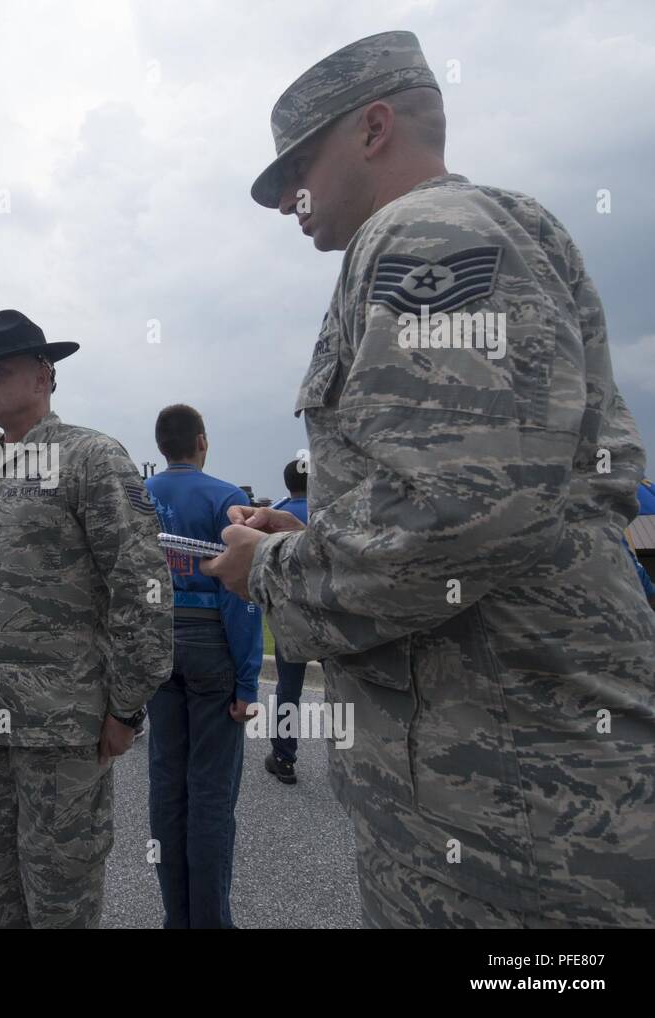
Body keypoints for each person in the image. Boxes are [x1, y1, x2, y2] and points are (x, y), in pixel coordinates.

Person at [208, 31, 655, 928]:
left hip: (517, 813)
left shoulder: (431, 235)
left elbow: (457, 514)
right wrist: (314, 537)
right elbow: (464, 490)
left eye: (299, 164)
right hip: (487, 791)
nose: (286, 200)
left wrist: (270, 571)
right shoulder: (426, 241)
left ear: (374, 128)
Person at [0, 309, 173, 927]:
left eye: (0, 370)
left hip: (62, 727)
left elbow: (142, 583)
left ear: (45, 375)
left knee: (60, 899)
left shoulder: (89, 457)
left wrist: (127, 706)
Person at [144, 404, 263, 928]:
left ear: (161, 445)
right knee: (211, 792)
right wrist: (246, 679)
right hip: (210, 640)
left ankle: (176, 917)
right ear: (202, 441)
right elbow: (242, 594)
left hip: (156, 641)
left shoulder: (140, 498)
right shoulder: (226, 498)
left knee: (167, 784)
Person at [265, 459, 310, 785]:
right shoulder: (329, 514)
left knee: (289, 690)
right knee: (342, 689)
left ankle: (284, 758)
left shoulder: (276, 516)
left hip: (288, 616)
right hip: (330, 615)